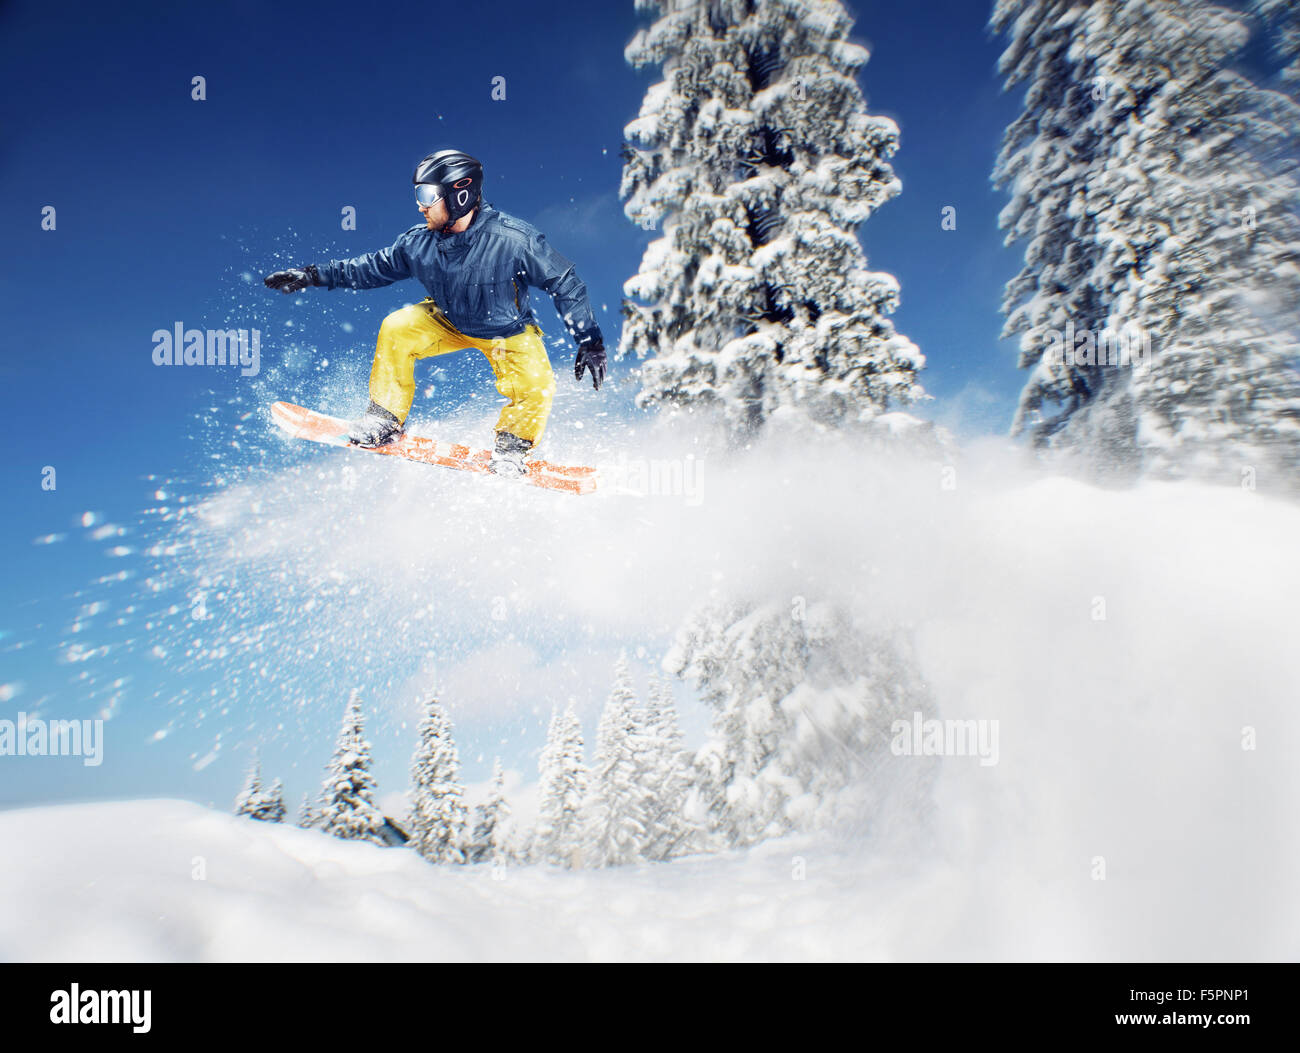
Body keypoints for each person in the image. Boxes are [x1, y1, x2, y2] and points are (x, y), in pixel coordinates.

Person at [264, 149, 606, 475]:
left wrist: (589, 340)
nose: (420, 206)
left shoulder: (513, 240)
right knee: (398, 327)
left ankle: (512, 448)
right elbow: (370, 268)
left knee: (537, 384)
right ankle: (384, 419)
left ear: (460, 194)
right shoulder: (419, 242)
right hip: (448, 321)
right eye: (418, 195)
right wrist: (311, 275)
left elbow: (565, 282)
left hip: (506, 331)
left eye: (428, 195)